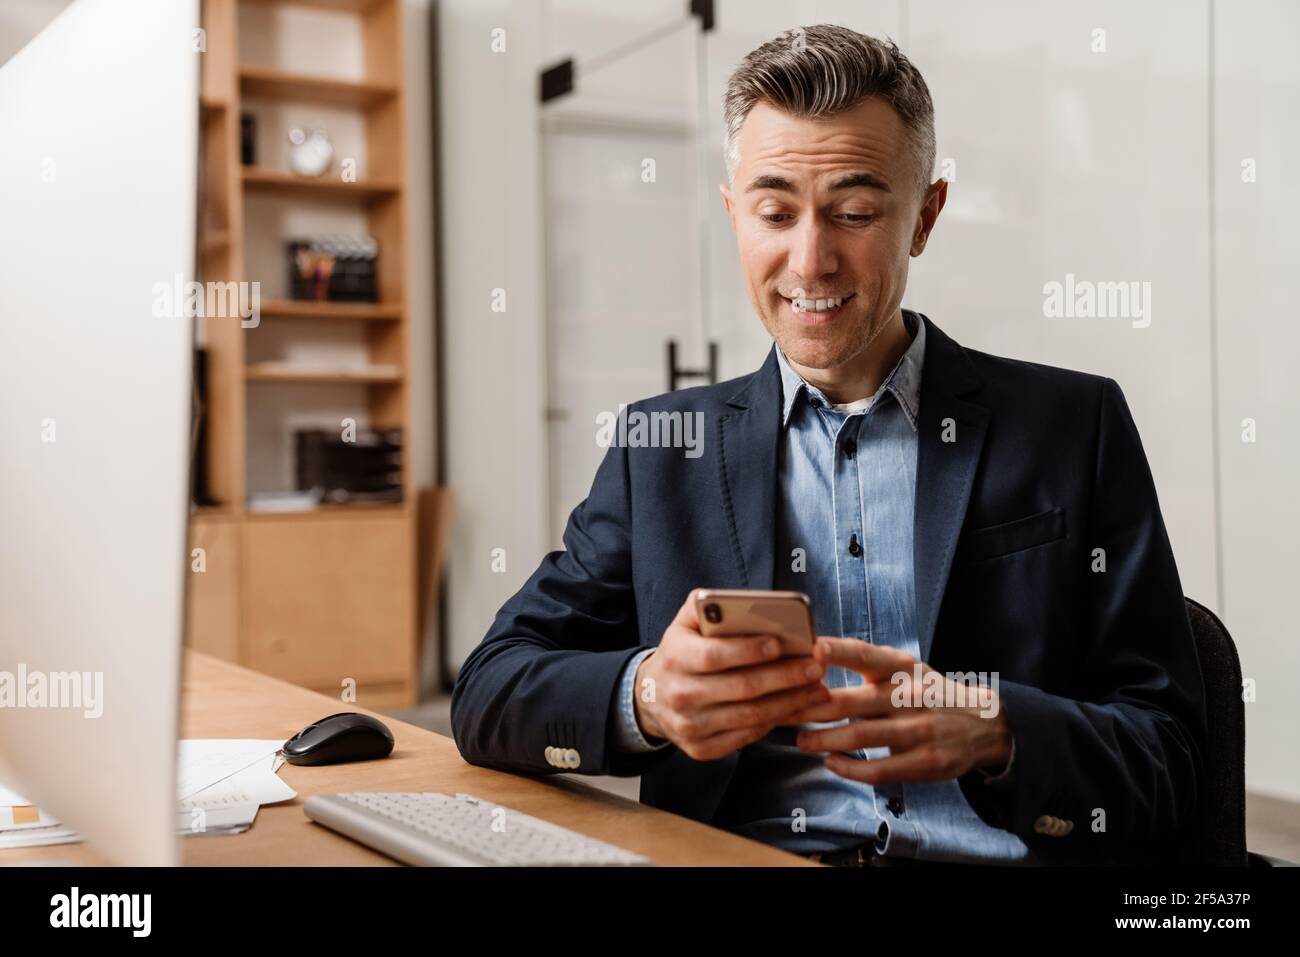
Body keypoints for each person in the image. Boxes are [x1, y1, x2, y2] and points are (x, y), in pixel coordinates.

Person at [451, 24, 1206, 866]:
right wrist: (651, 694)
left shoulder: (1074, 425)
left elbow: (1172, 752)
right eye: (775, 212)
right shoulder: (661, 448)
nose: (810, 262)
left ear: (924, 217)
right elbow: (489, 687)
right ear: (735, 214)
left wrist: (999, 729)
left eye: (853, 213)